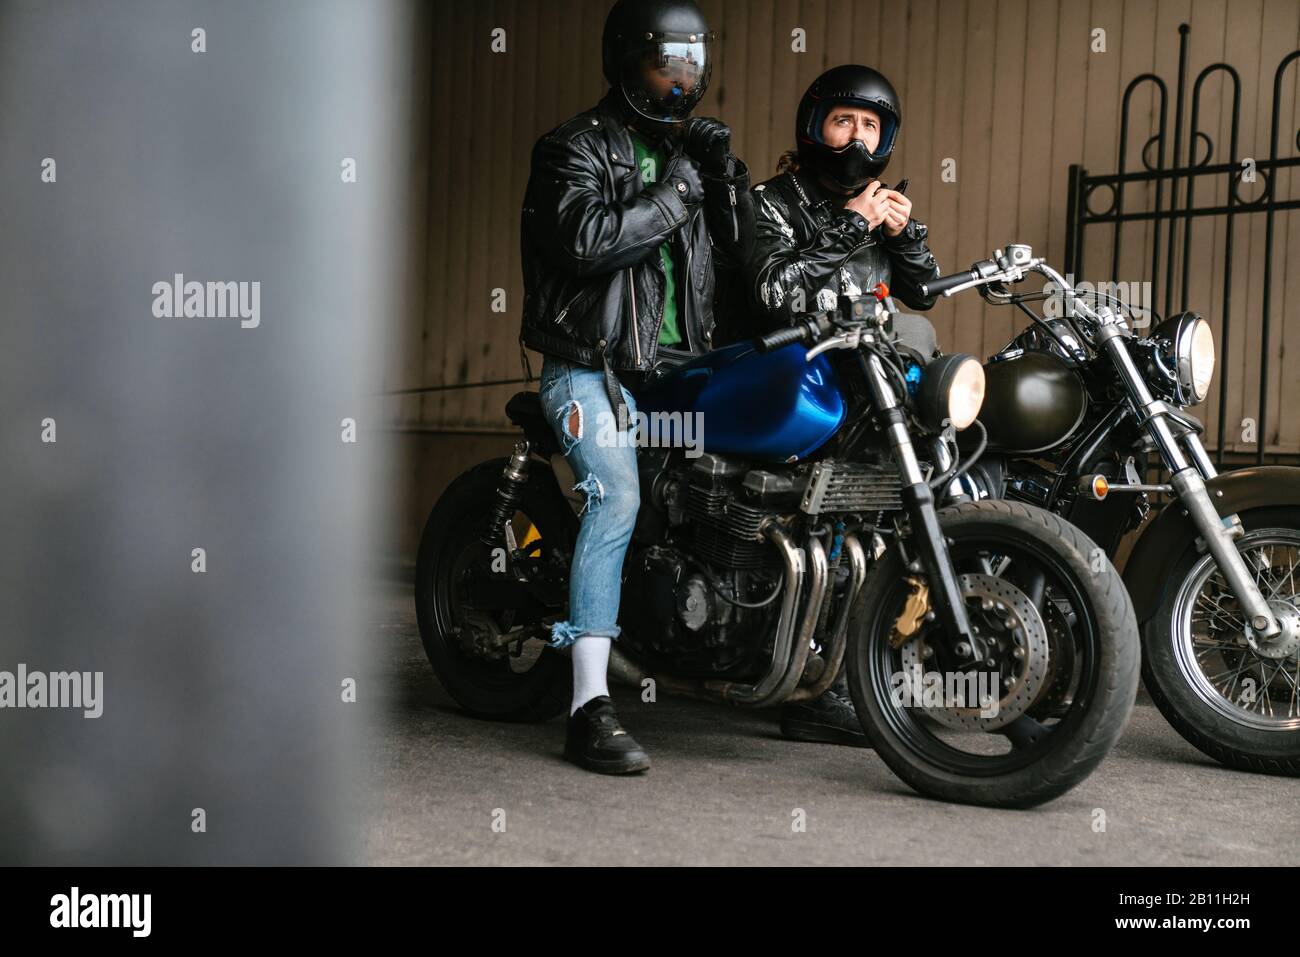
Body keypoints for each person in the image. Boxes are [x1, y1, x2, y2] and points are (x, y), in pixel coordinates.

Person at [519, 0, 755, 774]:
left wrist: (725, 186)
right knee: (617, 496)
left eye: (694, 61)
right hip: (590, 366)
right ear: (625, 60)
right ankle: (589, 702)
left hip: (681, 374)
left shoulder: (692, 157)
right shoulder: (572, 148)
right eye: (667, 60)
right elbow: (586, 241)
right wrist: (682, 190)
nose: (683, 77)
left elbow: (744, 274)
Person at [746, 64, 944, 747]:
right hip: (791, 384)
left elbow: (924, 295)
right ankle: (810, 683)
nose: (856, 139)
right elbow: (774, 291)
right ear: (814, 128)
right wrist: (850, 222)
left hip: (873, 386)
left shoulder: (881, 202)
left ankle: (875, 667)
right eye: (842, 122)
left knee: (911, 501)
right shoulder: (771, 201)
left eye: (870, 126)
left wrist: (904, 235)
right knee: (824, 520)